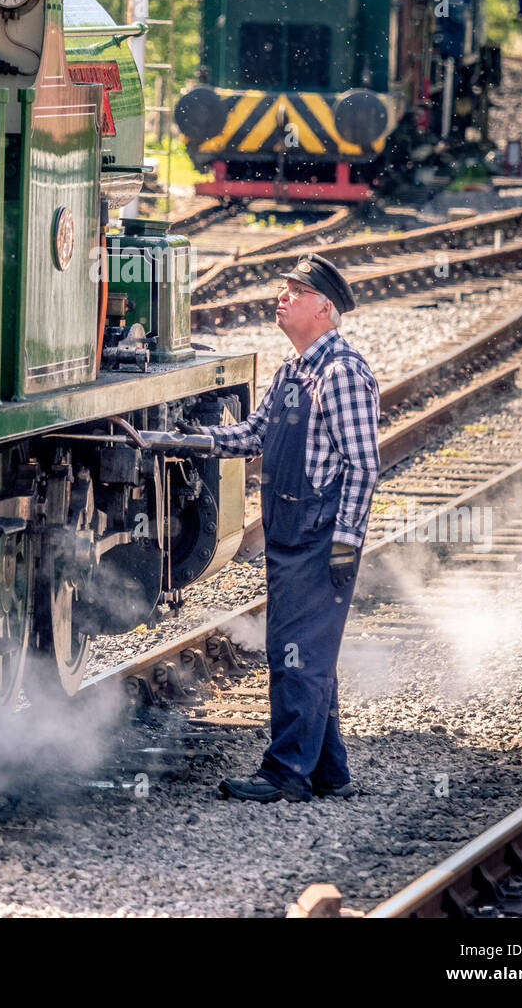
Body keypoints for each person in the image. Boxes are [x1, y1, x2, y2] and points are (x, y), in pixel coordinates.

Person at [192, 253, 380, 802]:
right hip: (291, 533)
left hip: (321, 538)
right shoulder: (294, 371)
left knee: (297, 653)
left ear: (324, 308)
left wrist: (345, 542)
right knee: (303, 651)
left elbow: (363, 465)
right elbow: (254, 434)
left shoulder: (342, 373)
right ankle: (328, 772)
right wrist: (191, 440)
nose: (282, 297)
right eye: (284, 288)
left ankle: (285, 775)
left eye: (295, 292)